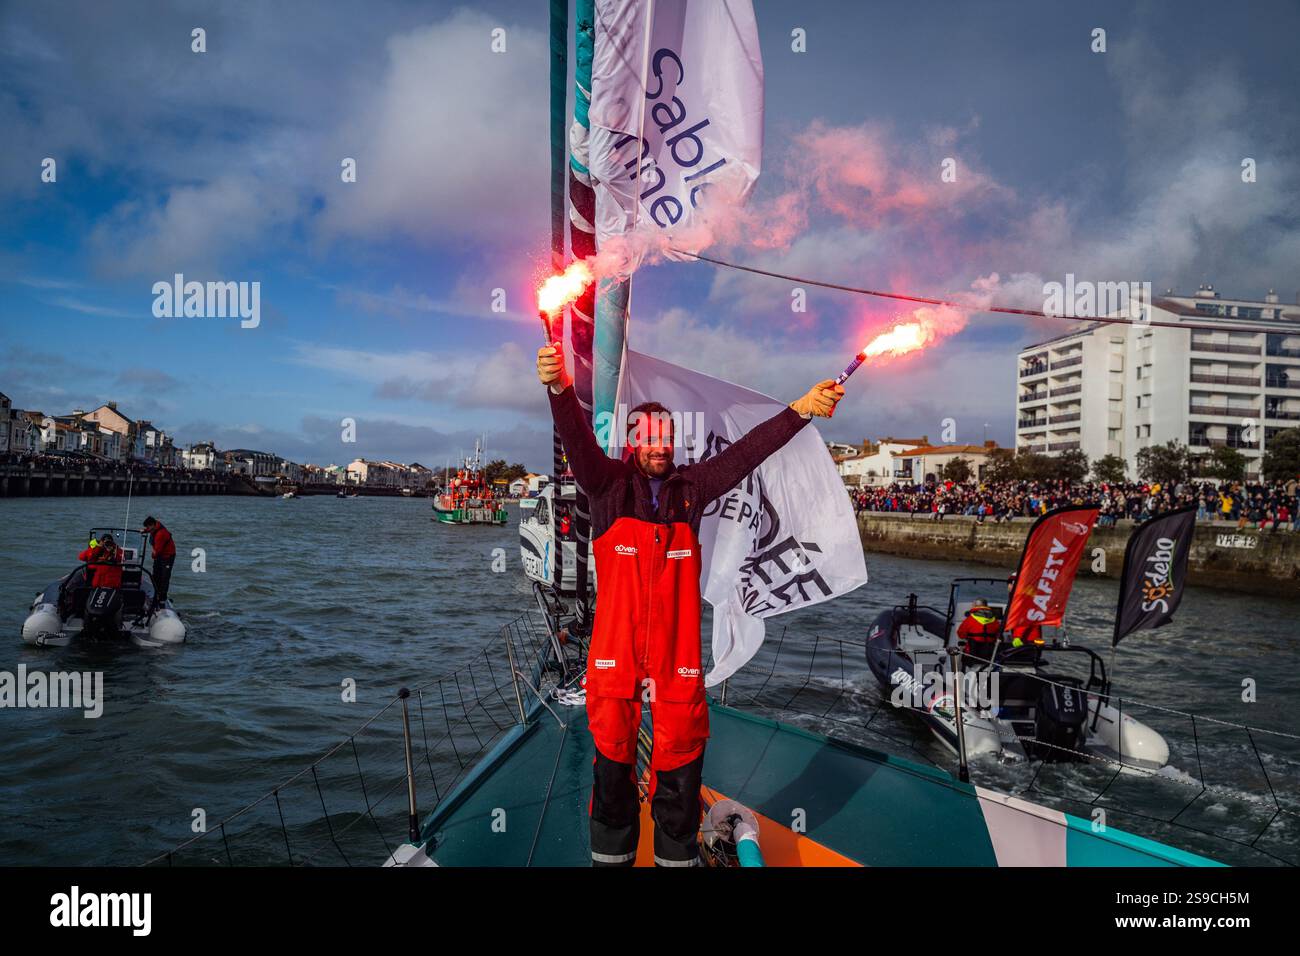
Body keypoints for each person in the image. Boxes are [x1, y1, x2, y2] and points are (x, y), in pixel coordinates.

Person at [537, 343, 842, 866]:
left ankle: (676, 859)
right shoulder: (607, 486)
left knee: (680, 778)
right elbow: (575, 438)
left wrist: (801, 409)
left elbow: (749, 453)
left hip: (678, 660)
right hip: (614, 658)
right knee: (612, 775)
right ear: (633, 442)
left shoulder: (691, 490)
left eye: (666, 438)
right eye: (649, 438)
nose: (659, 447)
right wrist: (560, 388)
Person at [141, 516, 176, 606]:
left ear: (152, 525)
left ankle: (162, 599)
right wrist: (144, 531)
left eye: (148, 527)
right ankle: (156, 594)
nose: (147, 529)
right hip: (160, 556)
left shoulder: (160, 534)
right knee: (155, 575)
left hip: (167, 556)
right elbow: (150, 530)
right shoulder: (155, 527)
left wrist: (153, 554)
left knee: (164, 577)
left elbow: (157, 552)